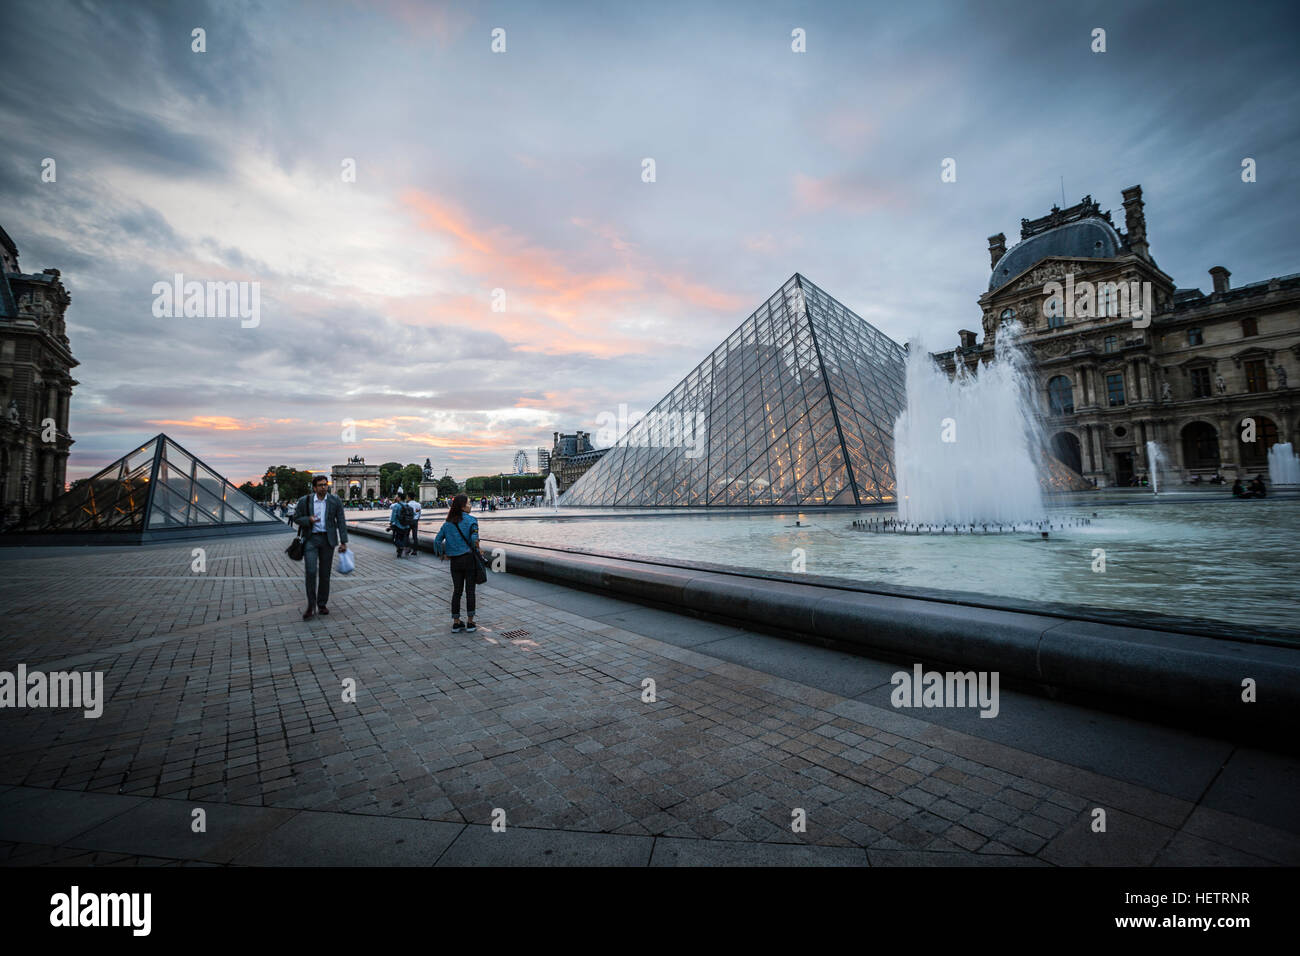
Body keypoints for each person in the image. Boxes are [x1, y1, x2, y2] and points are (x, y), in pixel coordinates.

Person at [293, 475, 348, 619]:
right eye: (321, 485)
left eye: (325, 484)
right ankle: (311, 605)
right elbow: (296, 518)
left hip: (327, 540)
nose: (324, 487)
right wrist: (308, 520)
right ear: (314, 487)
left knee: (325, 574)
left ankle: (322, 603)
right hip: (311, 539)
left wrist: (343, 541)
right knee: (310, 572)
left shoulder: (335, 500)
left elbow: (341, 521)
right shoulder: (305, 501)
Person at [433, 493, 482, 633]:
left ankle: (456, 622)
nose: (471, 505)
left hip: (454, 561)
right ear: (462, 506)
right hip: (468, 559)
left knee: (457, 591)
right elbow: (474, 540)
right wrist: (478, 548)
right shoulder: (472, 520)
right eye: (469, 503)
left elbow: (437, 540)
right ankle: (470, 622)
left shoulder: (448, 523)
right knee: (470, 591)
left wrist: (441, 554)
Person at [389, 491, 414, 557]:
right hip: (406, 525)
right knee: (403, 538)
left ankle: (400, 547)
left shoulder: (396, 506)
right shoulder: (407, 505)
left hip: (398, 525)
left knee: (395, 538)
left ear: (399, 498)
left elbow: (393, 516)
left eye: (397, 496)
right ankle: (402, 549)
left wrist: (391, 523)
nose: (396, 498)